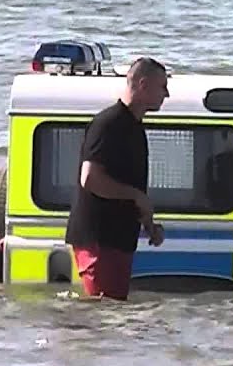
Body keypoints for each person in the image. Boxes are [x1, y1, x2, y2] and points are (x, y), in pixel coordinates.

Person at [63, 56, 171, 300]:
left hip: (118, 239)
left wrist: (148, 223)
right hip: (100, 239)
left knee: (115, 312)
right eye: (162, 87)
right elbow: (90, 178)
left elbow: (130, 183)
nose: (167, 94)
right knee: (104, 314)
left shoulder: (135, 127)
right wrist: (135, 196)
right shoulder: (108, 124)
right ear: (143, 84)